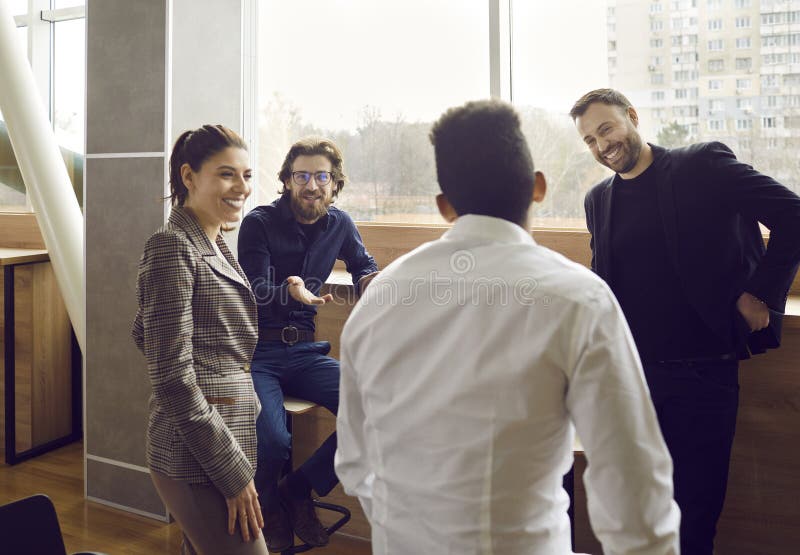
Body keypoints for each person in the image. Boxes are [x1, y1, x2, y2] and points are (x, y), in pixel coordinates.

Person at [335, 99, 680, 554]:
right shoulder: (578, 296)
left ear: (444, 206)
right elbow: (632, 482)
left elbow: (355, 462)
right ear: (538, 187)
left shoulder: (380, 297)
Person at [570, 88, 800, 554]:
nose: (602, 145)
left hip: (704, 373)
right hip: (632, 379)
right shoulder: (598, 200)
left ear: (632, 117)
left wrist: (764, 293)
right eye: (590, 140)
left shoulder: (703, 165)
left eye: (607, 128)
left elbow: (793, 213)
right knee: (637, 514)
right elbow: (608, 286)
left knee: (694, 515)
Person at [237, 137, 378, 551]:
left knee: (375, 406)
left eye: (321, 176)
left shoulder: (340, 224)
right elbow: (252, 289)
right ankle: (268, 511)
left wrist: (374, 282)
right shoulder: (259, 222)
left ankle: (297, 489)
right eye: (301, 176)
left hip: (305, 353)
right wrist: (289, 291)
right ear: (286, 180)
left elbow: (363, 265)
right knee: (275, 441)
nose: (311, 185)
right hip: (258, 351)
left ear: (334, 184)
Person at [132, 125, 267, 554]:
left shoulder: (215, 243)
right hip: (195, 453)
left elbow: (146, 331)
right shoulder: (172, 247)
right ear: (188, 177)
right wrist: (233, 474)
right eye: (227, 174)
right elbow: (171, 376)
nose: (241, 187)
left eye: (247, 175)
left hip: (226, 431)